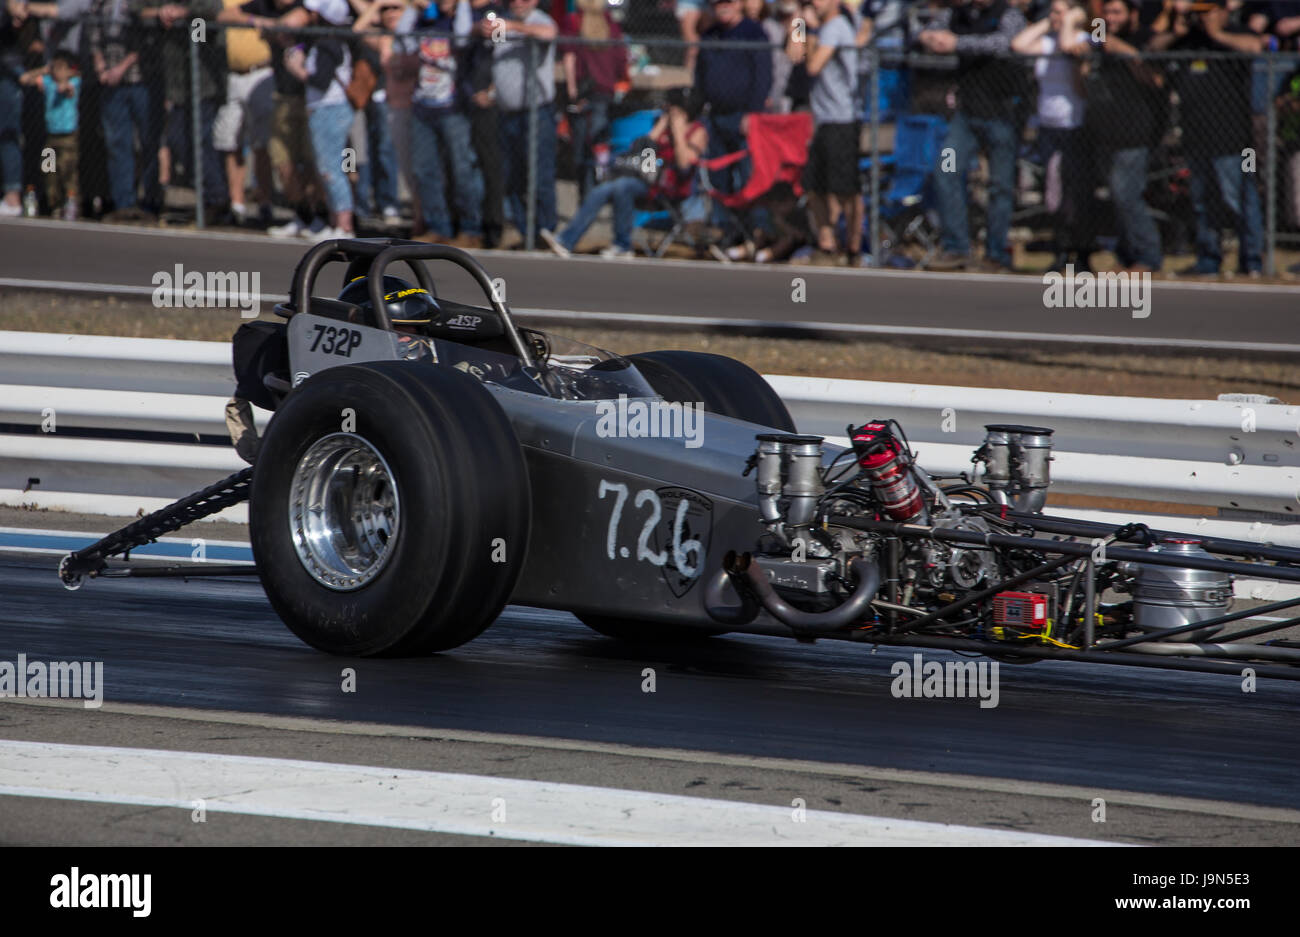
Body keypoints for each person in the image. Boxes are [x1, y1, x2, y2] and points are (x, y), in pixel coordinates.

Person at [1150, 0, 1264, 276]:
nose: (1203, 19)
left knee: (1239, 197)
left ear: (1224, 11)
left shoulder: (1235, 33)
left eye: (1208, 12)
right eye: (1198, 14)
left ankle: (1252, 261)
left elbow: (1256, 47)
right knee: (1202, 202)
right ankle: (1209, 259)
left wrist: (1218, 34)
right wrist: (1177, 30)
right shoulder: (1189, 39)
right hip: (1196, 136)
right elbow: (1151, 50)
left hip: (1236, 141)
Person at [919, 0, 1028, 272]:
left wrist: (958, 44)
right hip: (965, 114)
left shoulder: (1008, 14)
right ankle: (956, 248)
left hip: (1003, 113)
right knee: (945, 171)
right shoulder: (957, 14)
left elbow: (1008, 43)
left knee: (1000, 186)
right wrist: (929, 37)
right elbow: (926, 31)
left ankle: (995, 253)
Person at [539, 90, 708, 258]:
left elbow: (684, 167)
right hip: (648, 181)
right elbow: (644, 156)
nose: (668, 112)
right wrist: (658, 130)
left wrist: (678, 134)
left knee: (622, 187)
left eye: (672, 110)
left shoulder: (697, 132)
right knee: (602, 190)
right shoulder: (663, 128)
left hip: (672, 189)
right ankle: (565, 240)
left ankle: (622, 244)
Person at [1080, 0, 1162, 272]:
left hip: (1135, 132)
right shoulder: (1099, 43)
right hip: (1105, 132)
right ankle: (1127, 256)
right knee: (1116, 198)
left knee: (1126, 194)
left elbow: (1157, 80)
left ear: (1133, 14)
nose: (1111, 18)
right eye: (1107, 12)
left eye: (1117, 12)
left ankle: (1148, 256)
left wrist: (1124, 50)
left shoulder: (1144, 38)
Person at [1012, 0, 1091, 271]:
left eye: (1060, 11)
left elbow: (1070, 47)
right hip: (1049, 126)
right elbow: (1018, 44)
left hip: (1076, 126)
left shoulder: (1089, 37)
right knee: (1054, 196)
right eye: (1052, 10)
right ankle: (1060, 251)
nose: (1054, 16)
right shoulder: (1047, 43)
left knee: (1076, 194)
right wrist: (1050, 22)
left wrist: (1071, 21)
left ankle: (1081, 255)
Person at [138, 0, 230, 215]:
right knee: (178, 140)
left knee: (202, 140)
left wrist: (185, 13)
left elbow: (216, 11)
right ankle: (205, 195)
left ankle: (217, 199)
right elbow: (136, 10)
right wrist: (161, 12)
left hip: (205, 86)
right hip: (178, 87)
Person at [789, 0, 860, 265]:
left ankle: (854, 249)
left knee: (846, 190)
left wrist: (808, 30)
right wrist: (799, 24)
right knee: (813, 186)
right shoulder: (821, 29)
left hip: (842, 119)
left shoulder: (836, 27)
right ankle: (827, 245)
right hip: (822, 120)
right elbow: (795, 55)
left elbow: (812, 66)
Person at [406, 0, 482, 245]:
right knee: (424, 170)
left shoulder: (458, 21)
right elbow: (402, 41)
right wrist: (413, 7)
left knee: (462, 170)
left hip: (452, 108)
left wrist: (460, 5)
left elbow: (461, 38)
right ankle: (439, 227)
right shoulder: (423, 20)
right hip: (422, 107)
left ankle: (471, 229)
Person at [282, 0, 357, 239]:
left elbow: (320, 81)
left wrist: (297, 70)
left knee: (331, 169)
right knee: (328, 168)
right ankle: (337, 223)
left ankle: (344, 226)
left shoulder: (328, 45)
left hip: (330, 110)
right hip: (325, 109)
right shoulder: (325, 42)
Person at [489, 0, 557, 244]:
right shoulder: (499, 20)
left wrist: (515, 27)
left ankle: (546, 231)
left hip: (536, 112)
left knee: (539, 174)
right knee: (512, 176)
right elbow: (475, 33)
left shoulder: (540, 20)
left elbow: (550, 33)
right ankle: (524, 231)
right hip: (508, 112)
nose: (517, 2)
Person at [88, 0, 162, 218]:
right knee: (118, 143)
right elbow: (94, 33)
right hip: (111, 83)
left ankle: (151, 200)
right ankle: (123, 203)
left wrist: (121, 68)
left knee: (149, 142)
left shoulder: (141, 4)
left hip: (141, 80)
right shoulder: (101, 5)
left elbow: (147, 40)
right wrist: (100, 65)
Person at [695, 0, 771, 200]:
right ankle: (725, 226)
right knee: (718, 176)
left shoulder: (754, 32)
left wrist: (753, 114)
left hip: (744, 117)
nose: (723, 6)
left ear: (738, 4)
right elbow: (700, 78)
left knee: (748, 175)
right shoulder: (709, 35)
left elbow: (763, 77)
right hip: (715, 116)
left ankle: (752, 226)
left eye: (728, 2)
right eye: (717, 3)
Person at [215, 0, 276, 225]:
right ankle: (237, 204)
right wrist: (251, 19)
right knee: (231, 142)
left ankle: (265, 203)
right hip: (231, 76)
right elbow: (221, 16)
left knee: (261, 143)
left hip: (260, 73)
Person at [560, 0, 626, 199]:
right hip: (602, 94)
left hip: (587, 95)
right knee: (598, 147)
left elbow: (569, 58)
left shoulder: (576, 20)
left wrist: (572, 92)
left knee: (587, 149)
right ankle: (598, 194)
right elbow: (622, 60)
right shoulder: (609, 22)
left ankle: (590, 196)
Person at [19, 48, 78, 218]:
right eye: (55, 68)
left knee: (67, 170)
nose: (58, 72)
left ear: (68, 70)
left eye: (62, 68)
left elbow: (69, 89)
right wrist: (45, 70)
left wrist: (65, 83)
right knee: (49, 169)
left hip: (68, 137)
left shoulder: (74, 83)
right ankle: (54, 203)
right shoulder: (47, 82)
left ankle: (71, 202)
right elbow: (24, 79)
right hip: (50, 137)